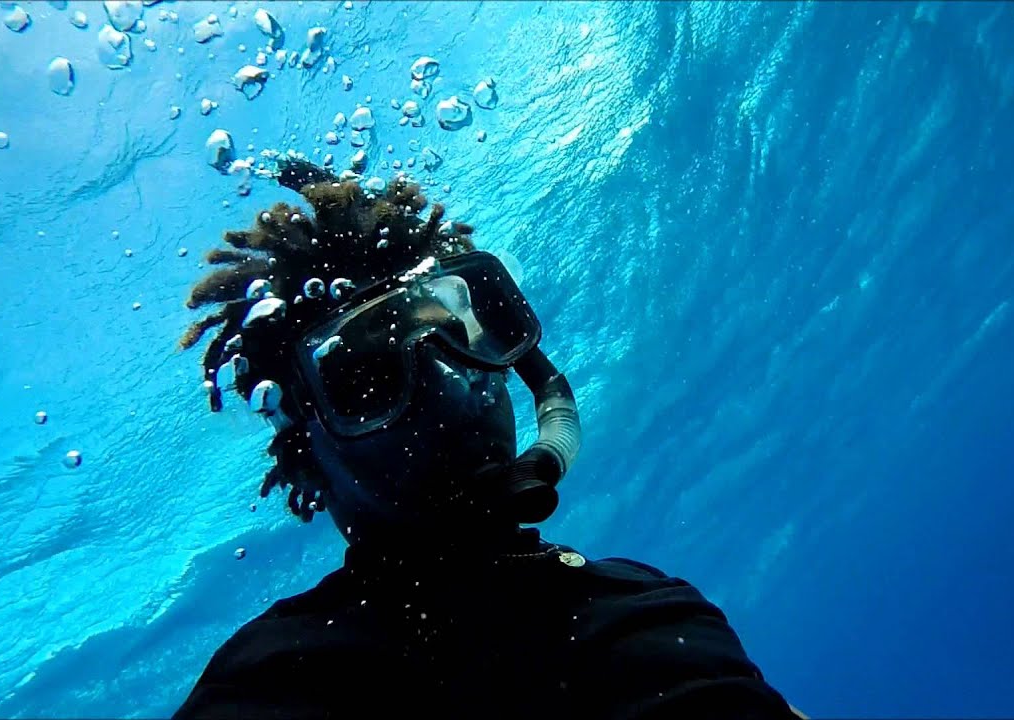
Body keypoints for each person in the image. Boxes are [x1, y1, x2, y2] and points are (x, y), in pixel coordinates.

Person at [172, 157, 805, 719]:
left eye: (462, 338)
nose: (451, 389)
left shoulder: (657, 611)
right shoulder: (279, 683)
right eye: (367, 378)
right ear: (306, 454)